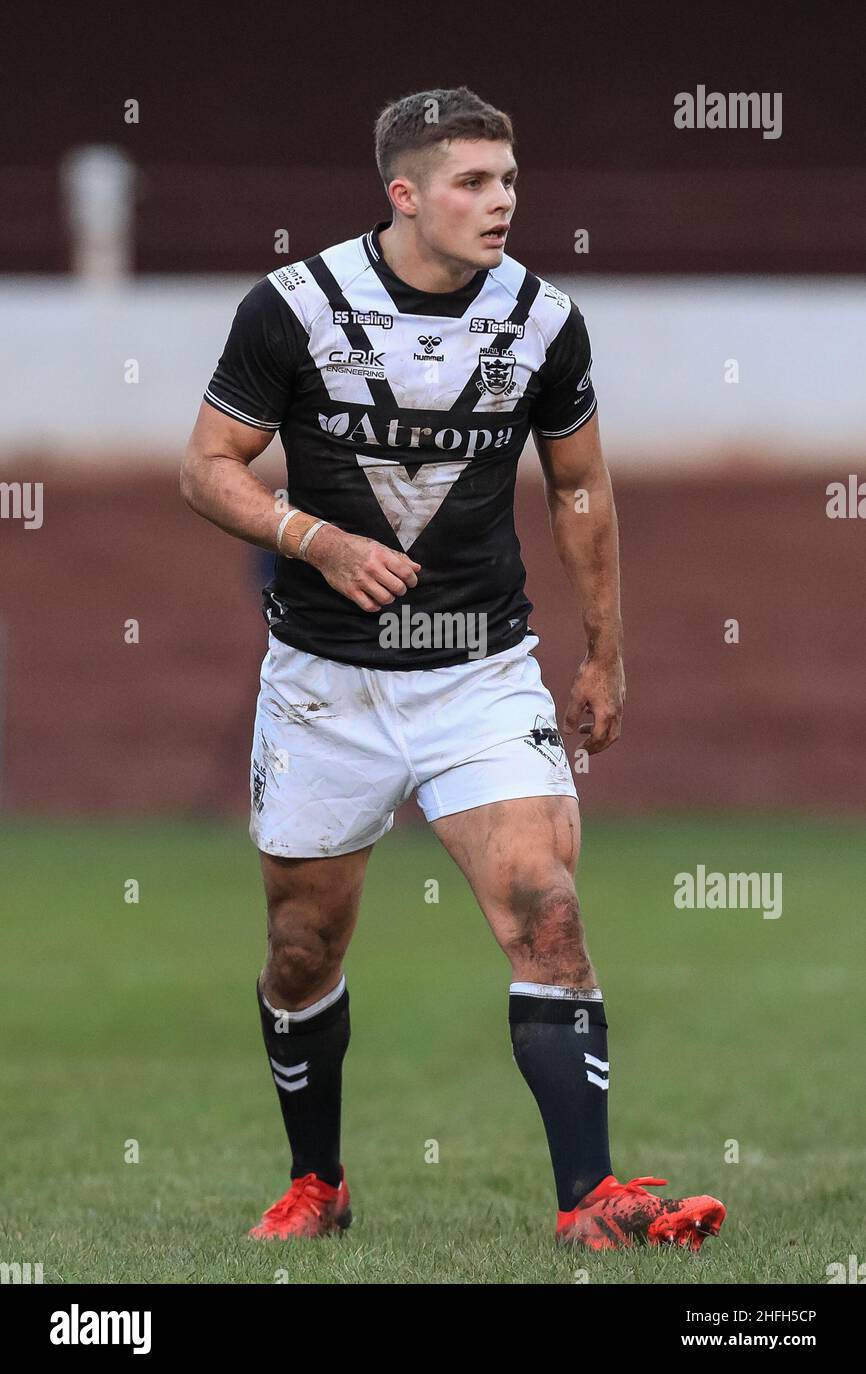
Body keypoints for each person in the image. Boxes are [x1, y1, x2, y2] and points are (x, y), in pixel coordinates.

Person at [180, 87, 725, 1251]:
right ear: (404, 195)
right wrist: (314, 539)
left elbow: (578, 484)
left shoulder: (541, 318)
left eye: (509, 181)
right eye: (473, 183)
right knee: (297, 951)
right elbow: (208, 467)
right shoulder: (291, 308)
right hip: (326, 685)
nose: (501, 203)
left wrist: (604, 652)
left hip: (481, 673)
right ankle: (315, 1182)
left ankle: (589, 1196)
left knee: (546, 908)